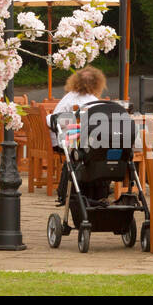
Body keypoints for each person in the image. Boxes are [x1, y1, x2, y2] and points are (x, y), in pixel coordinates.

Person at [49, 66, 106, 204]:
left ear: (75, 81)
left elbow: (52, 120)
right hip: (88, 145)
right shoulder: (96, 101)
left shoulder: (68, 98)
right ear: (98, 83)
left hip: (68, 144)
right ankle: (98, 188)